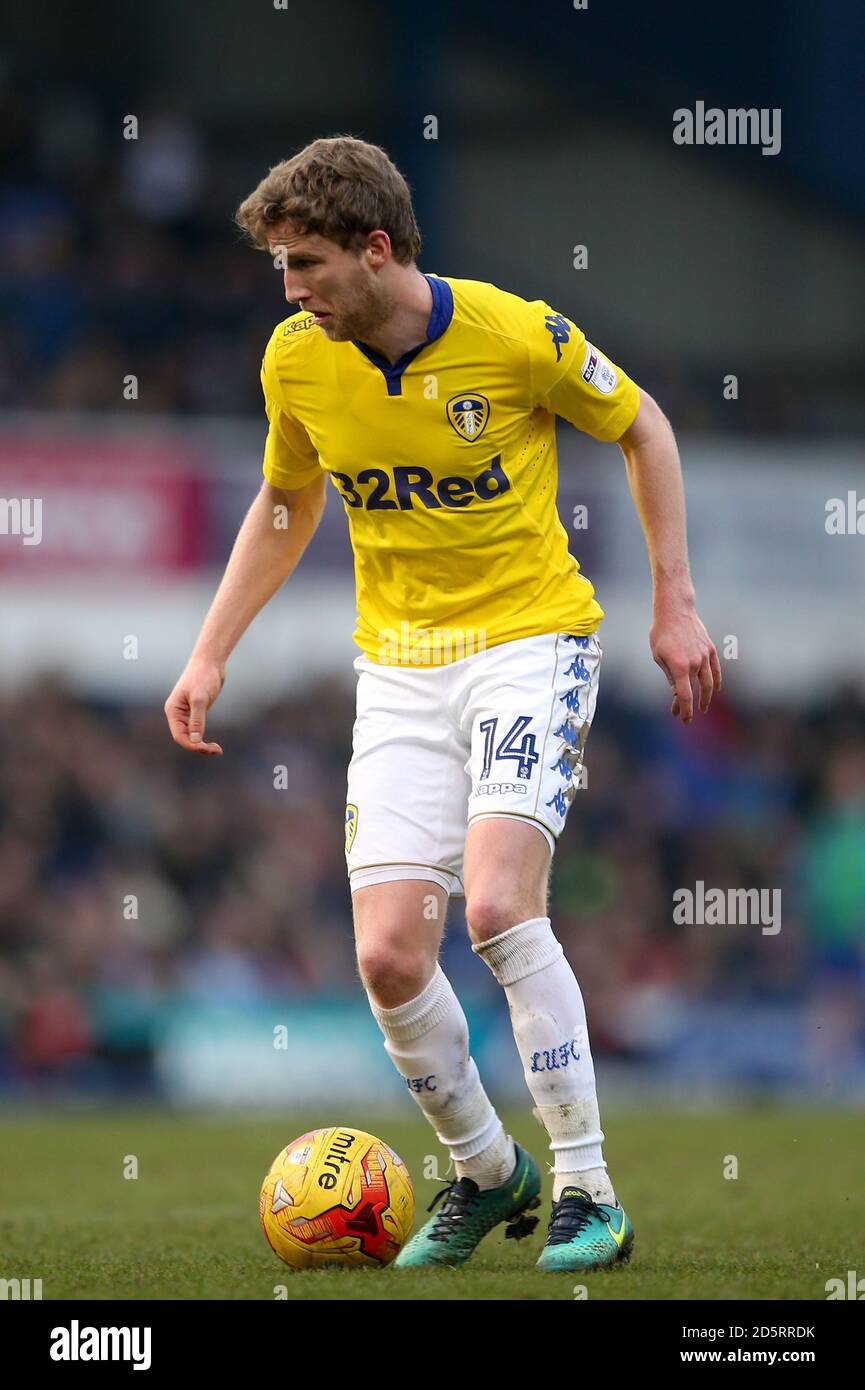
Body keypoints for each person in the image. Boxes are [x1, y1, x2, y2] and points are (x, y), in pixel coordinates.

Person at [164, 135, 721, 1272]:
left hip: (529, 642)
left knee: (497, 909)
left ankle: (587, 1189)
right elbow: (285, 499)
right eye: (279, 265)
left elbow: (643, 425)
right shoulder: (296, 360)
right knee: (386, 959)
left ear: (376, 249)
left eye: (307, 263)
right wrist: (210, 650)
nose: (290, 289)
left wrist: (674, 600)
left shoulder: (517, 335)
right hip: (400, 670)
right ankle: (483, 1169)